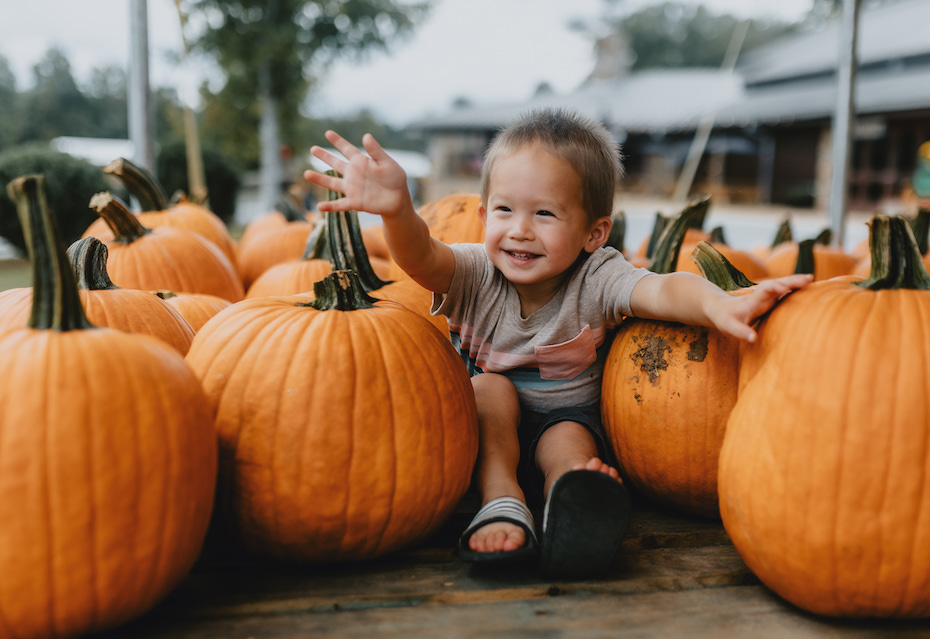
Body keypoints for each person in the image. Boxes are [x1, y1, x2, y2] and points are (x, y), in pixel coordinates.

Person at [304, 109, 812, 577]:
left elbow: (660, 287)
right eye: (504, 210)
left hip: (566, 420)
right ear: (484, 218)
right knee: (490, 391)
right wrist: (397, 213)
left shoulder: (598, 277)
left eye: (545, 214)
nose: (520, 230)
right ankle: (501, 498)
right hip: (481, 427)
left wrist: (718, 304)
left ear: (595, 233)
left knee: (569, 439)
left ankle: (575, 498)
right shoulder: (473, 271)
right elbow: (421, 259)